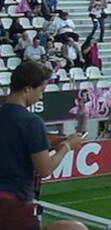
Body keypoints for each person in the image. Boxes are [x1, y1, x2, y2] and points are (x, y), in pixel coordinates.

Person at [0, 62, 87, 230]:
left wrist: (53, 144)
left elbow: (13, 147)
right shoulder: (31, 122)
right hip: (14, 205)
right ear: (27, 89)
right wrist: (67, 146)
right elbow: (44, 169)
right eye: (41, 90)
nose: (41, 97)